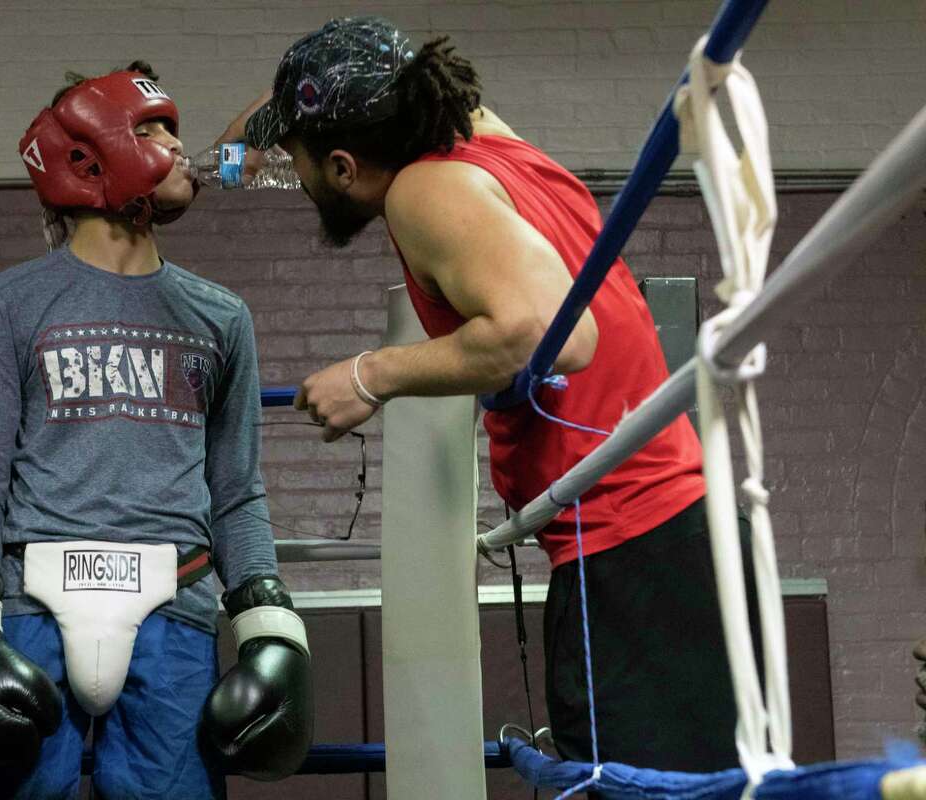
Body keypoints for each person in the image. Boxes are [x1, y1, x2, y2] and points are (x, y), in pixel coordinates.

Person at [216, 16, 757, 776]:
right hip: (674, 533)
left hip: (627, 552)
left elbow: (558, 335)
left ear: (343, 166)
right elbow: (365, 83)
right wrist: (236, 150)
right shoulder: (481, 139)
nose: (298, 182)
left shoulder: (421, 193)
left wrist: (370, 375)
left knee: (645, 790)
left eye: (301, 167)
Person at [0, 62, 313, 799]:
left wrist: (266, 619)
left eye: (172, 128)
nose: (175, 145)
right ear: (91, 155)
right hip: (30, 604)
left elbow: (236, 490)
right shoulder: (8, 304)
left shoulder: (221, 316)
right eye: (153, 129)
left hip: (177, 609)